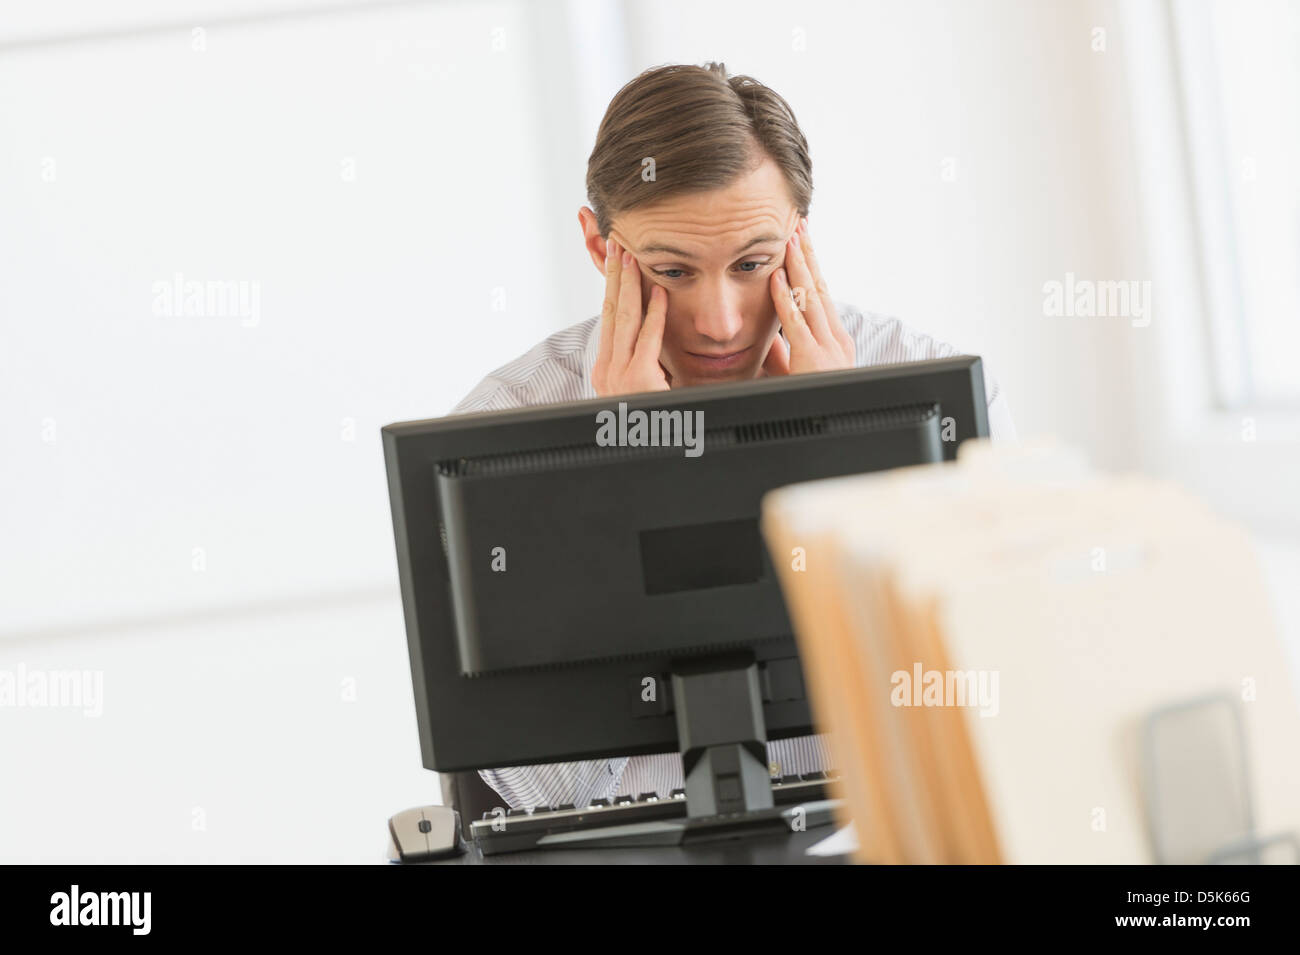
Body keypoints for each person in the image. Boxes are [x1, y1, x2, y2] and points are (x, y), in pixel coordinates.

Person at [451, 61, 1017, 811]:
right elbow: (538, 788)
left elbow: (997, 701)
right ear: (599, 247)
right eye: (672, 271)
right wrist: (621, 476)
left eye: (753, 263)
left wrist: (838, 450)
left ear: (799, 235)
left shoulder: (931, 389)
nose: (719, 321)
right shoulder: (501, 426)